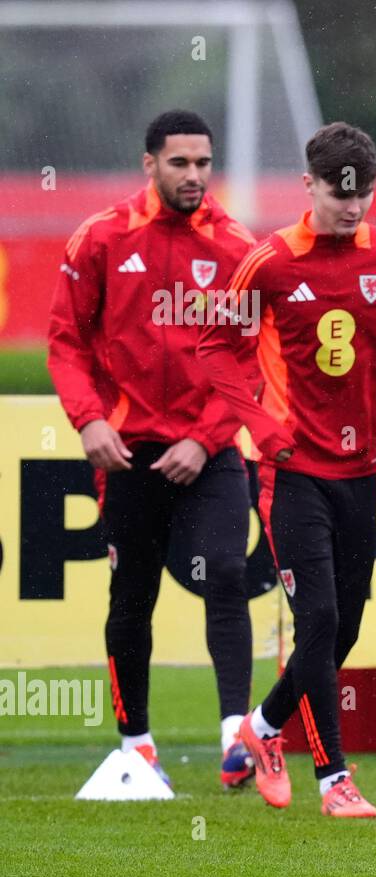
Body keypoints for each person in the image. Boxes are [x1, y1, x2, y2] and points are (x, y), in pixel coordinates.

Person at [197, 122, 376, 817]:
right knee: (321, 617)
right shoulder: (268, 262)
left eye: (363, 196)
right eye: (339, 195)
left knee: (346, 630)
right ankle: (334, 779)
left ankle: (264, 728)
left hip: (363, 470)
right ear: (310, 186)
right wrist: (261, 426)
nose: (353, 208)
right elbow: (217, 348)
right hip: (291, 470)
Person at [48, 109, 258, 790]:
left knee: (226, 570)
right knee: (131, 594)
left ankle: (236, 737)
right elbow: (66, 343)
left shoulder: (236, 248)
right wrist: (88, 421)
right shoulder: (102, 238)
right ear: (150, 165)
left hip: (211, 450)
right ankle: (137, 744)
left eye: (203, 162)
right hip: (127, 452)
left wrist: (205, 438)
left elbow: (255, 362)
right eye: (180, 163)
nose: (195, 175)